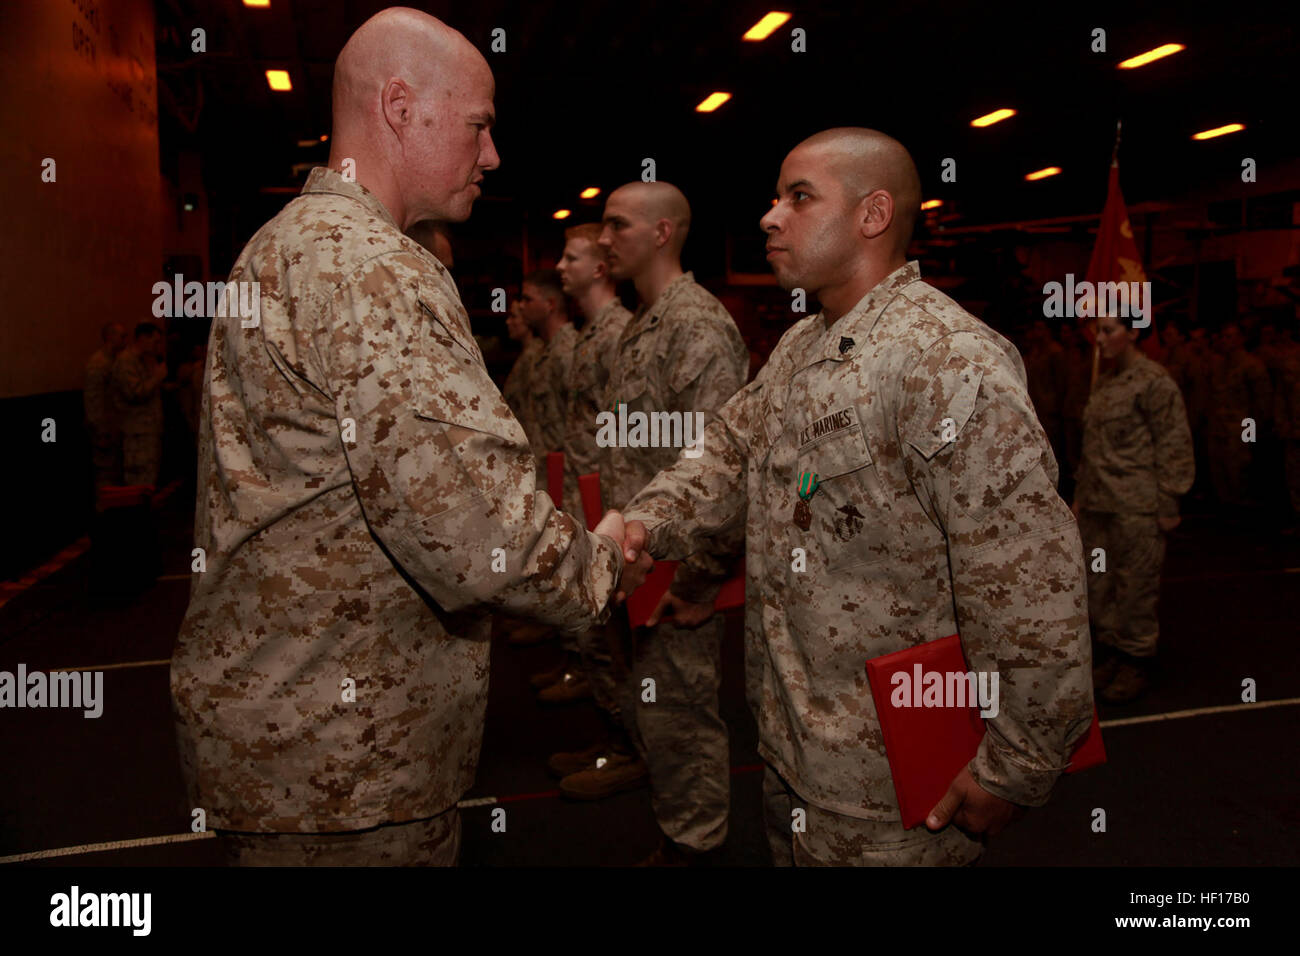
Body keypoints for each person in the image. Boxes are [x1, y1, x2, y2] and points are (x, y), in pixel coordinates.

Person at [170, 7, 650, 868]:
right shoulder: (375, 266)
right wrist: (603, 562)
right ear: (400, 107)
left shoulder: (279, 245)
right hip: (349, 760)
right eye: (478, 124)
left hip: (289, 731)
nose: (492, 154)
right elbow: (476, 533)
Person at [615, 128, 1093, 866]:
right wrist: (640, 525)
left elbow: (1028, 582)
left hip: (895, 783)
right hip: (793, 745)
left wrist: (1018, 765)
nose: (771, 217)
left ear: (873, 215)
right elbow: (725, 454)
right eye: (775, 198)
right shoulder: (802, 348)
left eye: (798, 197)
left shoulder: (944, 360)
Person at [558, 180, 749, 865]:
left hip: (675, 565)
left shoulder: (695, 325)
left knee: (683, 716)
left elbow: (722, 465)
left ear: (663, 232)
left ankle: (697, 847)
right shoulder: (646, 321)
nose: (604, 239)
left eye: (617, 225)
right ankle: (676, 832)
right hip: (637, 557)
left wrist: (700, 581)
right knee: (655, 708)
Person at [1073, 312, 1194, 703]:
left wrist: (1170, 500)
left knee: (1135, 585)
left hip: (1135, 505)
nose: (1100, 339)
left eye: (1108, 331)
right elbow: (1092, 449)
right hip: (1098, 505)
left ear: (1134, 332)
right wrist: (1079, 498)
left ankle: (1136, 657)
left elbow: (1173, 441)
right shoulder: (1104, 382)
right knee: (1100, 584)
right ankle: (1111, 651)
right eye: (1097, 331)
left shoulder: (1154, 382)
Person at [518, 269, 577, 492]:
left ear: (550, 304)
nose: (521, 305)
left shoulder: (568, 351)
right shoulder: (541, 352)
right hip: (541, 475)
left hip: (564, 481)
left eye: (528, 299)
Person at [1207, 322, 1272, 511]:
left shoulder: (1252, 365)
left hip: (1242, 425)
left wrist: (1251, 435)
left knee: (1240, 468)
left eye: (1230, 337)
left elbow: (1262, 402)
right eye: (1223, 337)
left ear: (1241, 339)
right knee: (1219, 469)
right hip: (1219, 425)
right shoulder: (1218, 365)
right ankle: (1227, 507)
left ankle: (1243, 509)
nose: (1225, 341)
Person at [110, 322, 168, 487]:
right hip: (137, 434)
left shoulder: (143, 361)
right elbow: (134, 393)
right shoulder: (126, 361)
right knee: (138, 482)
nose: (157, 346)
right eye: (155, 341)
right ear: (143, 338)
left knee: (149, 479)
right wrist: (157, 377)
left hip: (148, 430)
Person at [84, 322, 127, 491]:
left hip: (116, 425)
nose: (125, 341)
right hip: (104, 428)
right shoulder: (98, 363)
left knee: (116, 471)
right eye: (122, 336)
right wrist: (100, 429)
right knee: (105, 474)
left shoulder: (117, 361)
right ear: (110, 337)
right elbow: (93, 400)